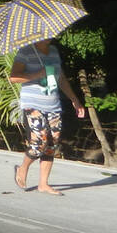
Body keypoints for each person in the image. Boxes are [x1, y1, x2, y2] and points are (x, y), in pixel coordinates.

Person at [9, 37, 86, 195]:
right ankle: (22, 168)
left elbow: (61, 78)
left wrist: (74, 99)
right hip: (33, 104)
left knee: (52, 144)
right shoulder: (26, 52)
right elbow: (14, 77)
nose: (49, 38)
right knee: (39, 142)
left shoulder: (53, 52)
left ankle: (43, 184)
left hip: (53, 104)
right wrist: (38, 74)